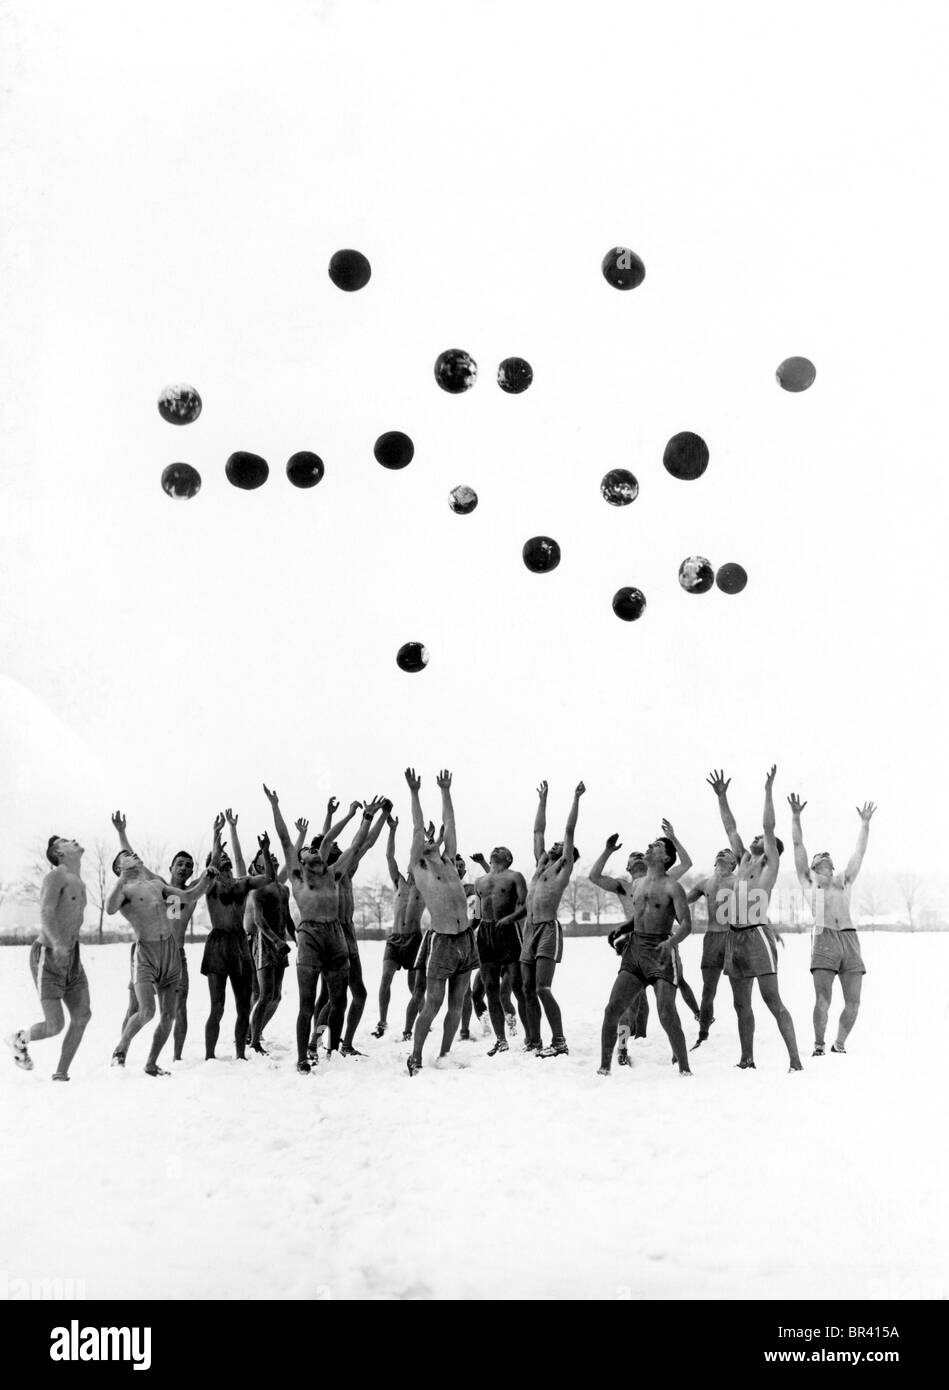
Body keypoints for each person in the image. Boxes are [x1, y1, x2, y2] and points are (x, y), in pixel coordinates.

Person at [263, 785, 374, 1073]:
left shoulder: (334, 874)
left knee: (339, 999)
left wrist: (365, 818)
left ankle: (332, 1051)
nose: (314, 850)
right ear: (300, 861)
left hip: (335, 933)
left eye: (316, 848)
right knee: (307, 1003)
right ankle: (302, 1057)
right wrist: (275, 805)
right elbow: (286, 837)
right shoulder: (299, 878)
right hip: (309, 935)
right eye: (308, 850)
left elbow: (355, 846)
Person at [709, 767, 803, 1072]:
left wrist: (767, 790)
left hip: (756, 934)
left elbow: (768, 824)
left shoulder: (769, 864)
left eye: (760, 838)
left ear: (771, 847)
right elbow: (730, 828)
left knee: (772, 1000)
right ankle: (747, 1059)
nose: (753, 838)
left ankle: (795, 1061)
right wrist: (722, 797)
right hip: (733, 936)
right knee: (740, 1004)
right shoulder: (744, 859)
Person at [590, 820, 695, 1063]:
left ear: (665, 857)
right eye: (634, 855)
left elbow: (687, 923)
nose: (642, 852)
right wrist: (623, 928)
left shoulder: (670, 881)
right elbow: (595, 878)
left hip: (661, 947)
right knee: (622, 1007)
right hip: (633, 946)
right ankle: (618, 1053)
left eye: (651, 848)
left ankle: (681, 1058)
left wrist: (671, 943)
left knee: (666, 1009)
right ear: (627, 866)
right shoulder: (628, 886)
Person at [108, 842, 212, 1074]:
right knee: (145, 1011)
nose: (134, 857)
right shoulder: (123, 891)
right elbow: (110, 909)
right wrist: (122, 877)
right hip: (146, 953)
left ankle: (151, 1063)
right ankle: (120, 1050)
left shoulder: (156, 885)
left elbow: (189, 895)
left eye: (134, 855)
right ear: (119, 868)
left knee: (169, 1014)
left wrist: (208, 877)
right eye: (127, 857)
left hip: (171, 953)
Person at [404, 769, 479, 1076]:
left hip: (465, 939)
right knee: (432, 1003)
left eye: (433, 838)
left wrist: (445, 791)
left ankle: (445, 1053)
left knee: (457, 1005)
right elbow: (418, 826)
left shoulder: (448, 861)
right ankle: (417, 1056)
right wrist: (415, 793)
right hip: (444, 941)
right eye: (426, 839)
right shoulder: (420, 868)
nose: (430, 839)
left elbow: (451, 824)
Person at [789, 794, 876, 1056]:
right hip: (824, 936)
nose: (824, 857)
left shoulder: (844, 881)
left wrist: (865, 824)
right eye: (819, 857)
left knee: (854, 1002)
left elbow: (859, 852)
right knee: (823, 999)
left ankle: (839, 1043)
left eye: (827, 857)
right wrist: (795, 817)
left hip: (849, 938)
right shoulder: (809, 881)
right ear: (815, 867)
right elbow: (797, 845)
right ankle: (819, 1044)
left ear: (832, 866)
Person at [6, 835, 91, 1080]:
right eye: (66, 840)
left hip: (71, 955)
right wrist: (57, 945)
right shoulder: (56, 876)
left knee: (83, 1015)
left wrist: (69, 949)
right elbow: (45, 910)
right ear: (59, 853)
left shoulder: (79, 881)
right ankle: (19, 1039)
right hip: (49, 954)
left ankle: (61, 1073)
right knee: (55, 1025)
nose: (74, 839)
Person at [311, 795, 388, 1057]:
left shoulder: (345, 871)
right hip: (331, 935)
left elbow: (364, 845)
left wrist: (382, 816)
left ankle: (345, 1044)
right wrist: (361, 815)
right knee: (332, 997)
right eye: (333, 848)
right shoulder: (324, 873)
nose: (339, 849)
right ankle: (315, 1042)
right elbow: (333, 841)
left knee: (358, 994)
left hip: (349, 933)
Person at [202, 810, 273, 1062]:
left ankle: (240, 1054)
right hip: (218, 943)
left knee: (244, 1005)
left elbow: (269, 877)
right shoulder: (212, 887)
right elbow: (210, 868)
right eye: (220, 864)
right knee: (217, 1005)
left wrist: (265, 851)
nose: (225, 866)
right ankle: (210, 1055)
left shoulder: (243, 883)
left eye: (226, 863)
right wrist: (215, 836)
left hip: (239, 942)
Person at [520, 780, 585, 1058]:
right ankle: (534, 1040)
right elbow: (538, 831)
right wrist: (543, 799)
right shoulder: (540, 866)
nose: (555, 844)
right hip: (528, 929)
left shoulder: (562, 870)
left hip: (548, 929)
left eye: (560, 845)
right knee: (526, 988)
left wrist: (575, 797)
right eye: (555, 844)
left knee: (542, 987)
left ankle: (559, 1042)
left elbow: (569, 831)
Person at [373, 812, 428, 1040]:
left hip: (414, 939)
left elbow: (431, 856)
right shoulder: (399, 882)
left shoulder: (425, 885)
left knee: (414, 988)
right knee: (385, 979)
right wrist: (392, 829)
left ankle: (422, 1018)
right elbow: (389, 856)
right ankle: (382, 1021)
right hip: (395, 938)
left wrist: (429, 839)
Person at [470, 849, 527, 1045]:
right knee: (490, 987)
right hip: (486, 934)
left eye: (501, 850)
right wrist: (468, 932)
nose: (496, 850)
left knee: (518, 988)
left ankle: (530, 1037)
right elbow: (477, 914)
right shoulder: (480, 882)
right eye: (495, 849)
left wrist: (510, 919)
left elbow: (526, 906)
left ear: (509, 858)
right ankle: (501, 1040)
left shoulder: (515, 877)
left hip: (508, 933)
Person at [247, 831, 296, 1054]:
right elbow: (258, 920)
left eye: (273, 855)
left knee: (276, 996)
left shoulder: (283, 889)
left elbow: (287, 918)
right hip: (264, 943)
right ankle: (254, 1041)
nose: (273, 858)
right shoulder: (258, 890)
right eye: (267, 857)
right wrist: (276, 941)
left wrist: (297, 938)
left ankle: (254, 1032)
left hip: (280, 946)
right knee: (265, 994)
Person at [685, 846, 739, 1049]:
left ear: (733, 864)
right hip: (711, 937)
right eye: (719, 854)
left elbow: (754, 908)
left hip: (732, 936)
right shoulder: (705, 883)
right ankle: (703, 1031)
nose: (722, 854)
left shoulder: (737, 883)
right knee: (708, 991)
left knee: (738, 989)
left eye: (727, 854)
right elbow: (681, 900)